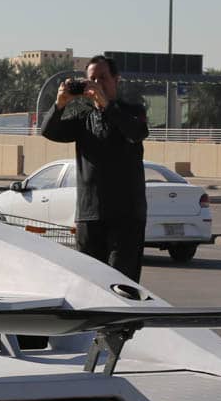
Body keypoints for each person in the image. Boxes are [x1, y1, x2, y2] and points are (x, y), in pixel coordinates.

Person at [40, 55, 150, 281]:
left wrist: (106, 104)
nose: (98, 83)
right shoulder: (82, 118)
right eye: (93, 79)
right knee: (90, 282)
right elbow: (49, 131)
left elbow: (136, 132)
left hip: (126, 217)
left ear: (116, 80)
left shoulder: (132, 111)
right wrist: (60, 104)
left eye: (103, 78)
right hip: (89, 216)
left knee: (122, 283)